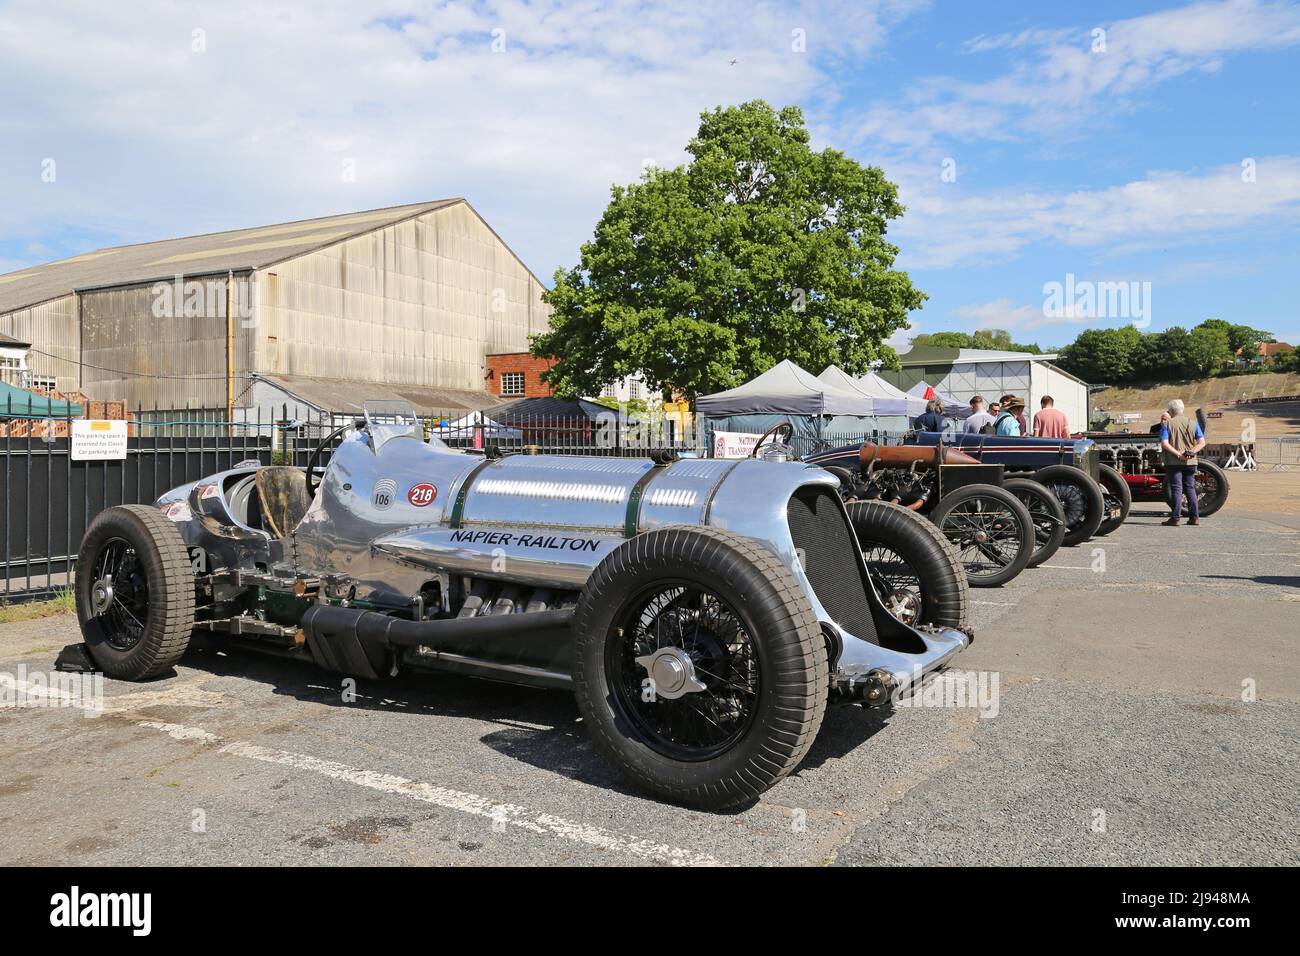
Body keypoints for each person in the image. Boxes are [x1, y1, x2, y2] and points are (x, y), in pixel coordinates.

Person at [1159, 399, 1206, 526]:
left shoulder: (1167, 424)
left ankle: (1175, 518)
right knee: (1190, 488)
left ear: (1171, 411)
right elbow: (1202, 442)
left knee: (1177, 489)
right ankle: (1194, 517)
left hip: (1173, 462)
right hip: (1191, 462)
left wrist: (1178, 454)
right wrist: (1191, 452)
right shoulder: (1193, 423)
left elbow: (1164, 443)